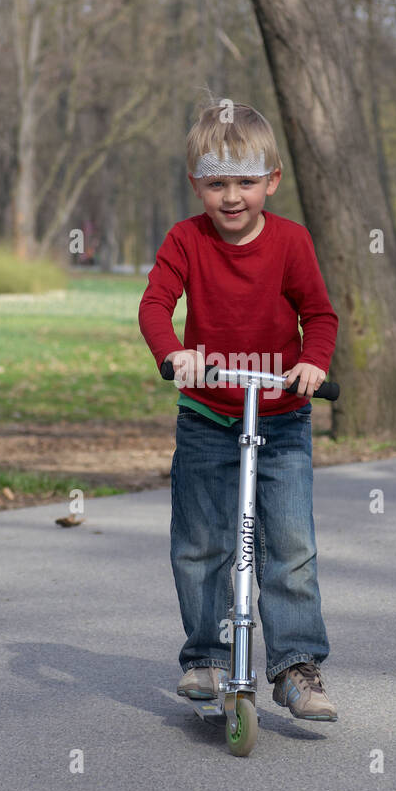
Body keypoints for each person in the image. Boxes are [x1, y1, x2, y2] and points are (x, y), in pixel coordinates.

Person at [138, 102, 339, 721]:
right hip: (207, 417)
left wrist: (312, 364)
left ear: (271, 181)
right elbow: (155, 305)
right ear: (196, 183)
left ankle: (295, 665)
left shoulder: (290, 241)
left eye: (246, 182)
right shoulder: (185, 239)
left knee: (289, 543)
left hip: (279, 419)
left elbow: (320, 315)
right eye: (217, 183)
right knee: (200, 545)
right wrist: (174, 355)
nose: (231, 197)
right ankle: (204, 656)